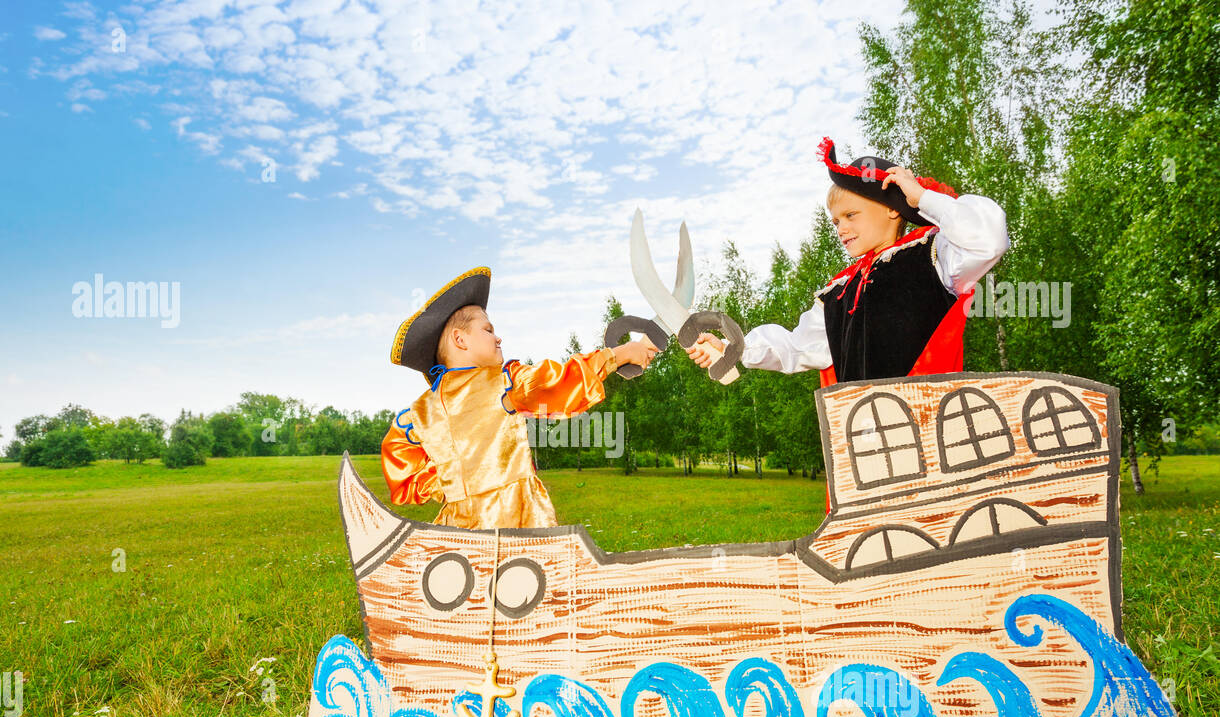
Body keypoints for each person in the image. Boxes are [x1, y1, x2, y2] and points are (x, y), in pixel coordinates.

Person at [689, 137, 1009, 385]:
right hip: (862, 441)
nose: (841, 228)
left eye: (851, 215)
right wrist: (735, 349)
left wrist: (921, 197)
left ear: (893, 208)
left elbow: (988, 239)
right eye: (836, 221)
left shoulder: (934, 256)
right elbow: (796, 347)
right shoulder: (839, 292)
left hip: (926, 429)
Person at [382, 267, 657, 529]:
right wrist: (620, 354)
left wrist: (447, 482)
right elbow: (556, 382)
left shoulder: (417, 414)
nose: (498, 338)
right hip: (515, 519)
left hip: (458, 530)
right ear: (460, 339)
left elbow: (399, 461)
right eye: (488, 330)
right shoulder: (505, 382)